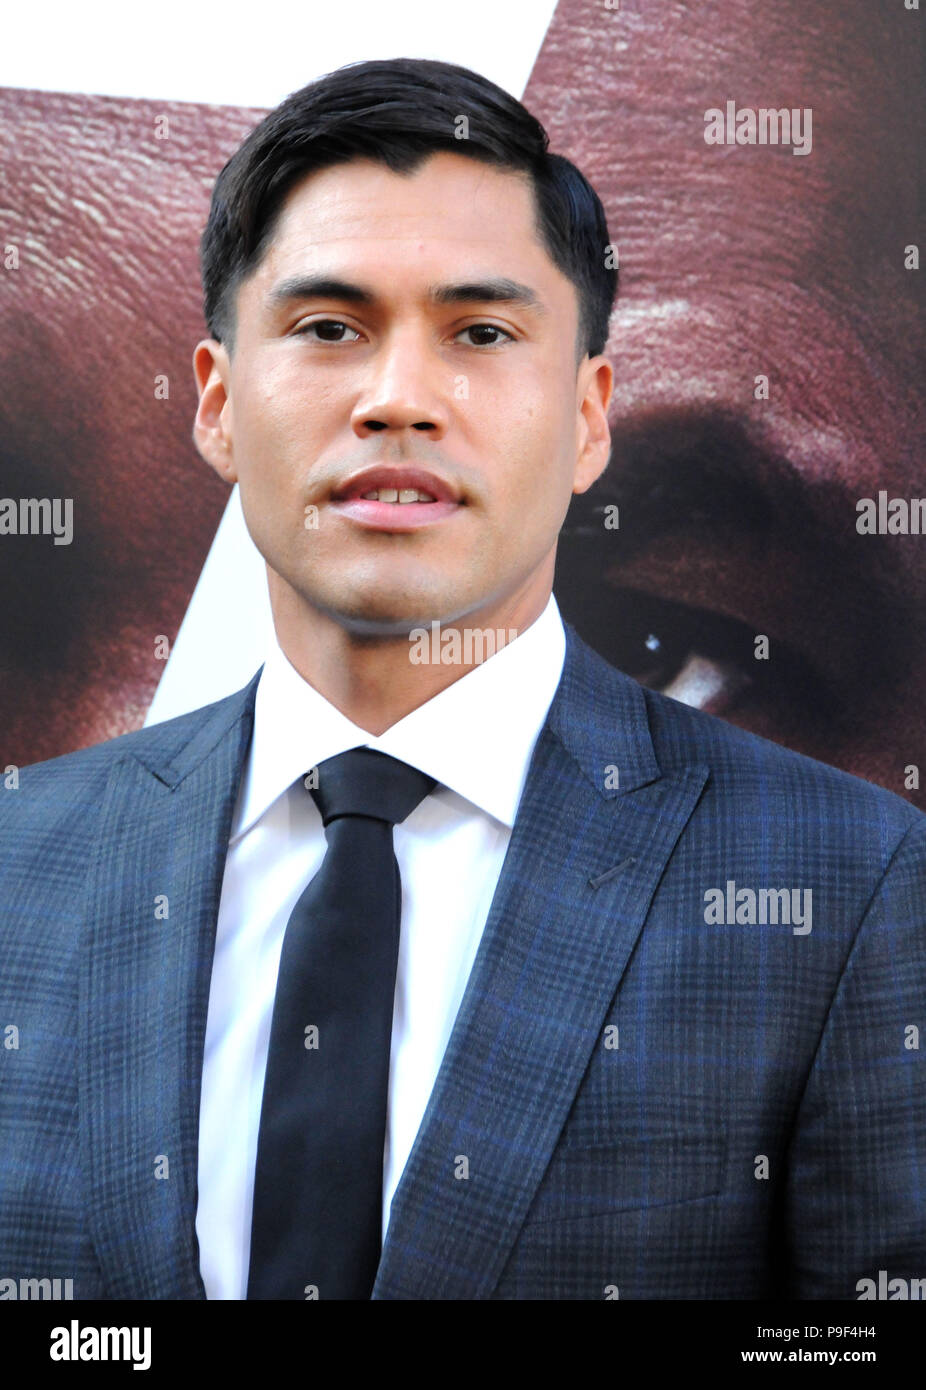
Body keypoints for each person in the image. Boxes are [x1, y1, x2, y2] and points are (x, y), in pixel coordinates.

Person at [0, 58, 923, 1302]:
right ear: (217, 402)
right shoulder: (20, 866)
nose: (396, 400)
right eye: (328, 327)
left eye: (480, 332)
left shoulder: (849, 882)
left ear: (586, 415)